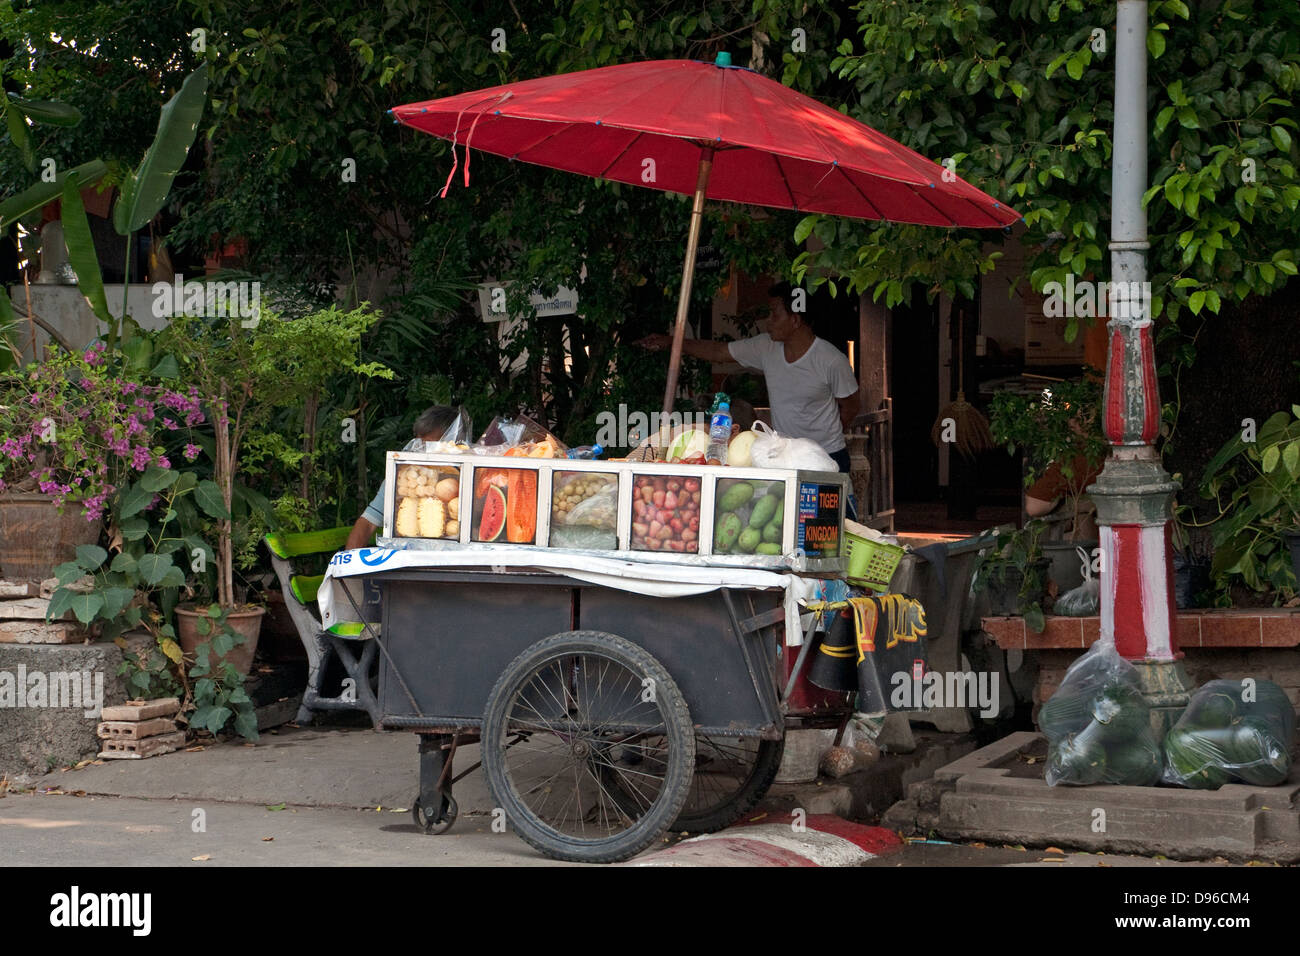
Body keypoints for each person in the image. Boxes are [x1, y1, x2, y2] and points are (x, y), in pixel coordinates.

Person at [637, 282, 862, 471]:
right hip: (782, 457)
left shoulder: (831, 360)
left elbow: (850, 406)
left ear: (795, 320)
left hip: (829, 457)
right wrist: (672, 342)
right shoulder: (766, 347)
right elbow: (719, 352)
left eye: (775, 314)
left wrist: (822, 439)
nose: (768, 321)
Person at [346, 405, 461, 550]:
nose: (423, 451)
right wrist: (351, 566)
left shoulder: (468, 477)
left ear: (452, 442)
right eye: (420, 444)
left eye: (431, 445)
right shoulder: (404, 479)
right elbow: (368, 523)